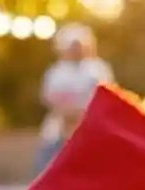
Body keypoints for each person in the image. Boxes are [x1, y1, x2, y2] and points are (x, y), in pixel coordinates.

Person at [35, 23, 113, 174]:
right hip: (58, 134)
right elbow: (50, 100)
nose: (76, 50)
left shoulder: (98, 70)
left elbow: (105, 99)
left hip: (91, 134)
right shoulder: (55, 73)